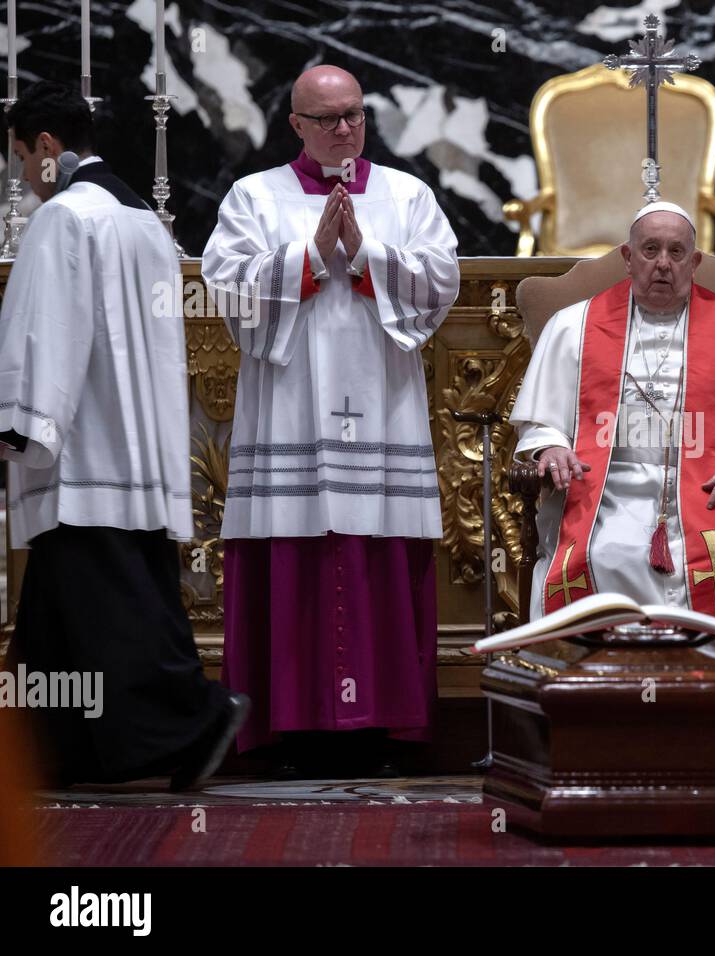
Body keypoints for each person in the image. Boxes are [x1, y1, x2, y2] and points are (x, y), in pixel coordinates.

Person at [202, 65, 459, 776]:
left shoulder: (407, 194)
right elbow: (229, 291)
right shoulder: (253, 197)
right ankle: (287, 732)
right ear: (296, 126)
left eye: (353, 114)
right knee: (293, 561)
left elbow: (442, 283)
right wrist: (313, 256)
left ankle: (386, 730)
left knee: (377, 554)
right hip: (288, 415)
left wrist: (368, 254)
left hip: (383, 410)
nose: (343, 129)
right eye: (327, 119)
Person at [0, 81, 245, 791]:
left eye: (20, 159)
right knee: (57, 624)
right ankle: (47, 753)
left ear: (48, 147)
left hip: (86, 455)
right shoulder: (144, 219)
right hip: (137, 448)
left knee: (115, 615)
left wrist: (19, 425)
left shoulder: (65, 219)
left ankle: (200, 717)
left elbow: (46, 331)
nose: (22, 178)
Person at [510, 202, 715, 760]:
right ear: (628, 257)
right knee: (601, 553)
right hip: (608, 490)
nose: (663, 264)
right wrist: (551, 445)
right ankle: (598, 738)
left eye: (677, 252)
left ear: (695, 261)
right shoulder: (573, 326)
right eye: (650, 250)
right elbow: (538, 419)